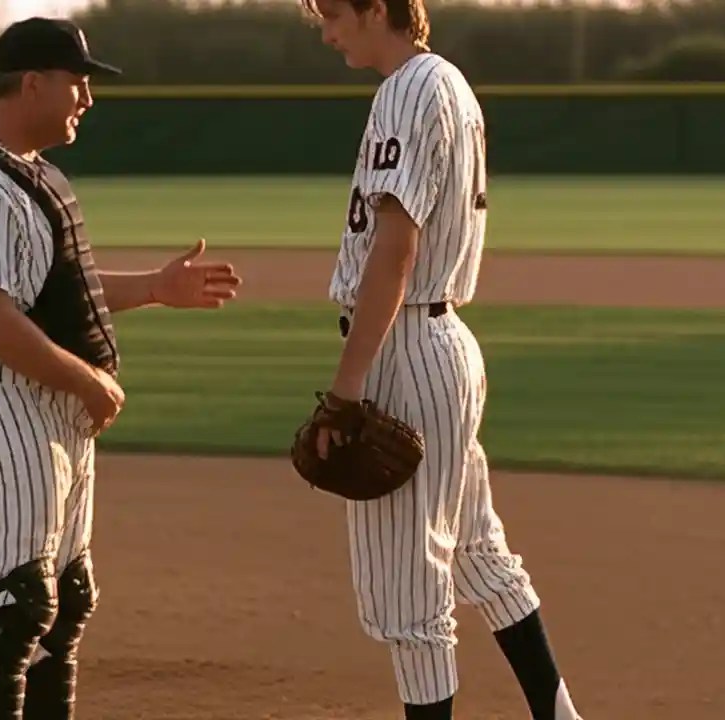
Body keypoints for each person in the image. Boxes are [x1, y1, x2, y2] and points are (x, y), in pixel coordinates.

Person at [0, 17, 241, 720]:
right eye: (78, 82)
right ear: (33, 84)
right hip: (4, 408)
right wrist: (86, 380)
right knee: (12, 610)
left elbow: (58, 293)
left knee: (62, 605)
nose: (88, 99)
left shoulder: (28, 174)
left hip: (52, 416)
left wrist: (155, 286)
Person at [298, 2, 585, 719]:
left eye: (333, 14)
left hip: (405, 349)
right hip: (442, 347)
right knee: (476, 552)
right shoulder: (448, 83)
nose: (326, 32)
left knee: (410, 599)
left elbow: (395, 250)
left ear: (376, 9)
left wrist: (346, 391)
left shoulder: (407, 90)